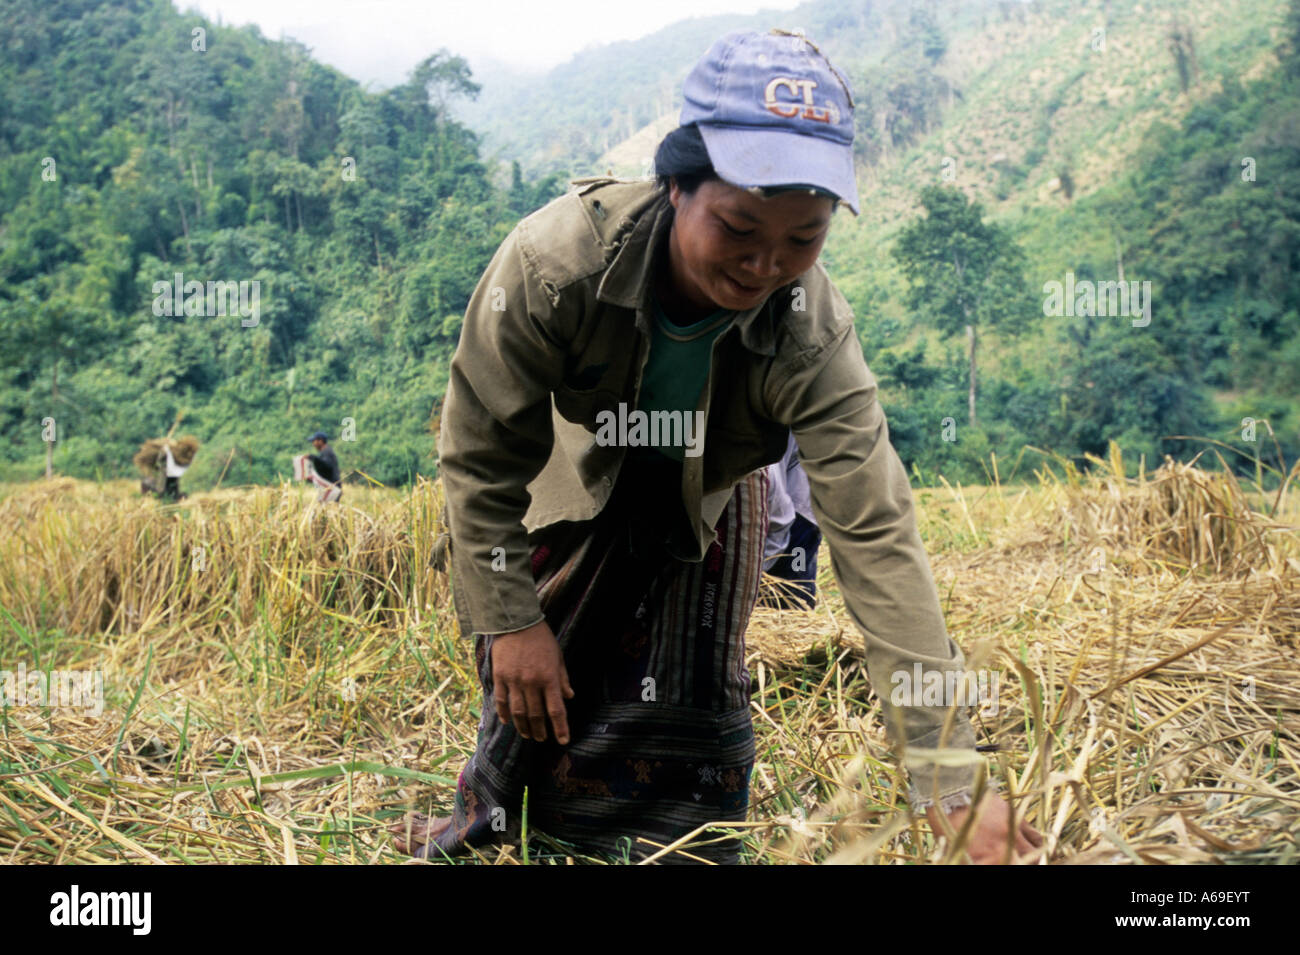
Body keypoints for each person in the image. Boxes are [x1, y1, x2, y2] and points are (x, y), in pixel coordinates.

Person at [396, 28, 1042, 864]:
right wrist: (510, 619)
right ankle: (508, 821)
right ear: (674, 186)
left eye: (803, 238)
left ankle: (672, 839)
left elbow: (878, 537)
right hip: (576, 472)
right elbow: (479, 449)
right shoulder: (555, 264)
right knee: (540, 674)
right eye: (737, 226)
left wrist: (949, 778)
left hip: (713, 483)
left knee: (697, 682)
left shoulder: (810, 330)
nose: (764, 264)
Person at [760, 432, 821, 610]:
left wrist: (761, 565)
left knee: (795, 593)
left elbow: (779, 516)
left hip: (798, 524)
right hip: (793, 512)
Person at [301, 431, 342, 502]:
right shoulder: (325, 452)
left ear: (320, 441)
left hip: (332, 489)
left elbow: (326, 466)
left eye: (314, 441)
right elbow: (324, 472)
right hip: (330, 488)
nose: (313, 444)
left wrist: (313, 457)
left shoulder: (327, 452)